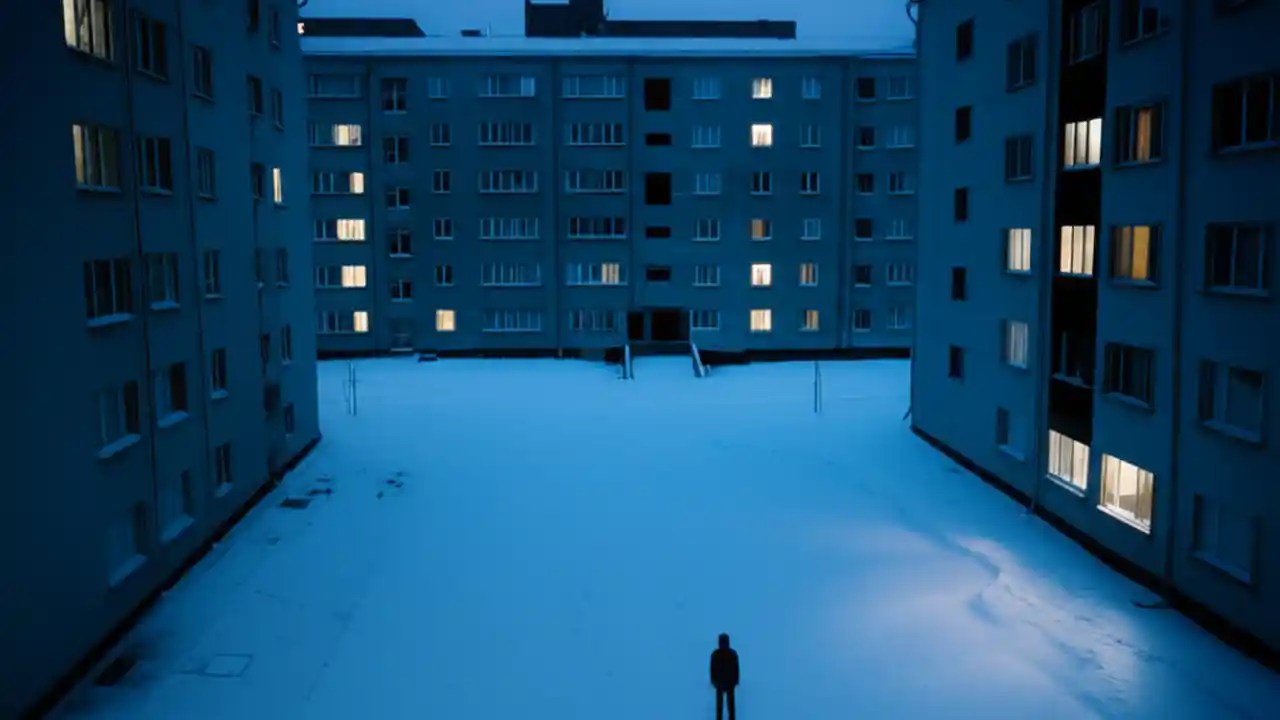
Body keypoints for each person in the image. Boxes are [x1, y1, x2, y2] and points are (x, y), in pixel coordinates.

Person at [709, 633, 739, 720]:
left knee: (723, 707)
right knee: (728, 707)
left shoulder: (716, 654)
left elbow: (712, 670)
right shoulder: (732, 654)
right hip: (725, 683)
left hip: (723, 683)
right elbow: (712, 670)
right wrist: (735, 681)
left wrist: (713, 681)